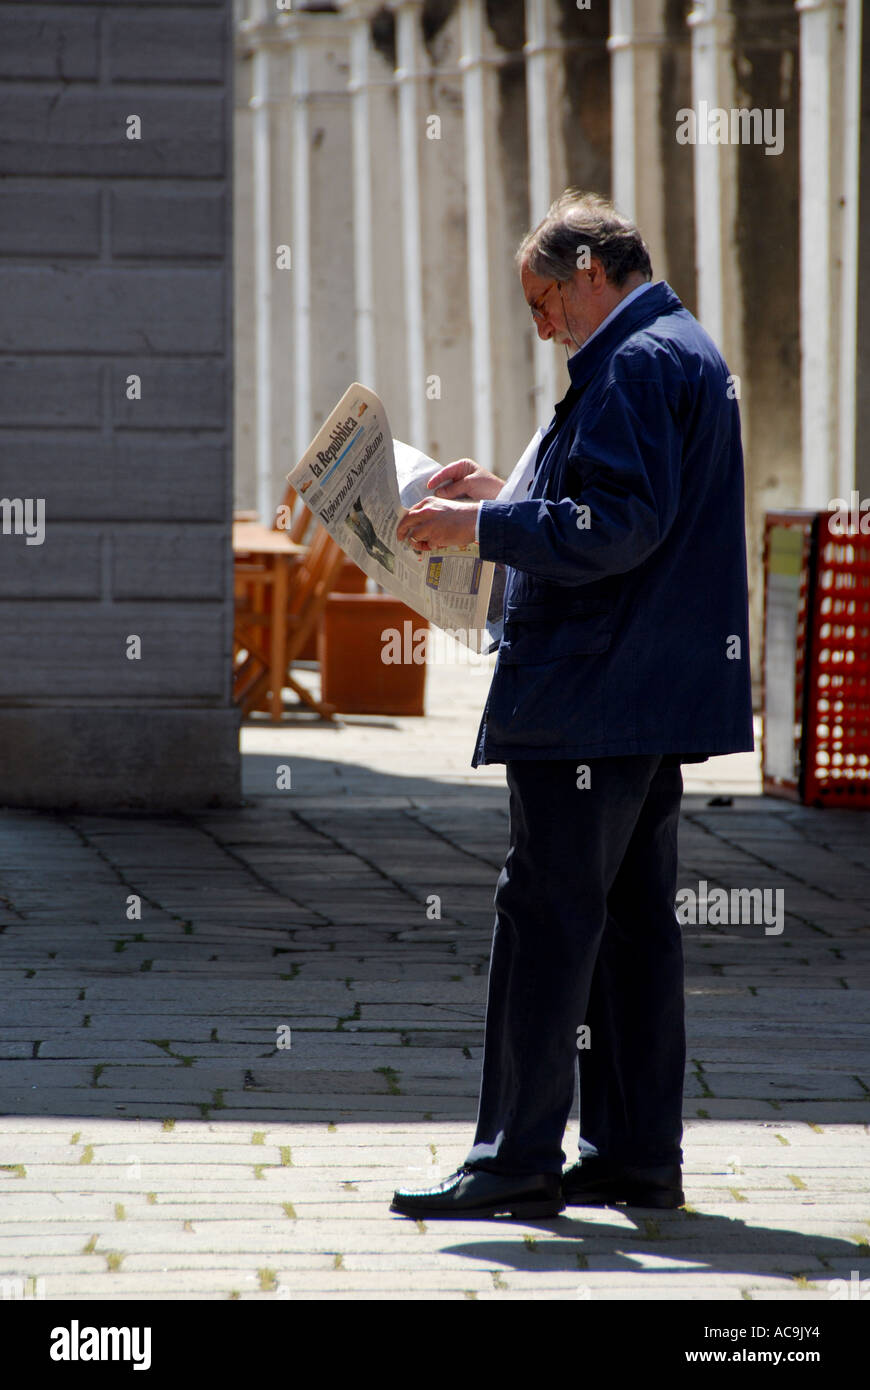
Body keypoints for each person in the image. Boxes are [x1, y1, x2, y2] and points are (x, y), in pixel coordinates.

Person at [391, 190, 754, 1219]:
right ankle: (635, 1153)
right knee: (633, 922)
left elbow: (615, 524)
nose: (541, 324)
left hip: (593, 690)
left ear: (590, 269)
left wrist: (477, 529)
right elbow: (611, 498)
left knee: (546, 915)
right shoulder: (676, 348)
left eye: (545, 300)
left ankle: (512, 1156)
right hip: (640, 691)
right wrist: (498, 492)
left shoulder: (636, 361)